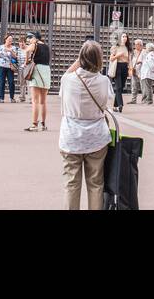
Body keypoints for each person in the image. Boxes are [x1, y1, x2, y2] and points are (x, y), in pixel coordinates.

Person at [58, 40, 114, 210]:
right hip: (96, 138)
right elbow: (107, 103)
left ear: (80, 58)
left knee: (71, 184)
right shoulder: (104, 81)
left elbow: (66, 78)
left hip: (71, 137)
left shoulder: (67, 80)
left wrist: (79, 60)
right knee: (96, 184)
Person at [23, 32, 52, 131]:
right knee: (43, 101)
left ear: (35, 38)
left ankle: (34, 124)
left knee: (35, 100)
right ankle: (43, 124)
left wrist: (27, 60)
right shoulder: (46, 46)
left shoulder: (34, 44)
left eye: (30, 38)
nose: (29, 40)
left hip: (37, 70)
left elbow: (27, 50)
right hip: (46, 71)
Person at [108, 35, 130, 112]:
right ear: (120, 38)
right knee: (118, 87)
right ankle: (120, 104)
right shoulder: (115, 47)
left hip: (125, 67)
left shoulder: (127, 48)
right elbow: (111, 58)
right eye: (123, 36)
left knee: (121, 87)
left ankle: (115, 106)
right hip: (117, 67)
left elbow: (129, 59)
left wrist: (130, 69)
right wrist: (119, 55)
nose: (125, 38)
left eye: (126, 37)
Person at [0, 34, 17, 103]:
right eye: (9, 39)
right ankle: (1, 98)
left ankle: (12, 97)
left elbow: (15, 57)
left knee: (11, 82)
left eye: (11, 40)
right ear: (5, 39)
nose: (10, 41)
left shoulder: (13, 48)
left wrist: (10, 51)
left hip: (10, 67)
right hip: (1, 66)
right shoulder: (0, 47)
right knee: (1, 82)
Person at [138, 40, 154, 104]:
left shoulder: (150, 55)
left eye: (146, 47)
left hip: (147, 73)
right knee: (147, 87)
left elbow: (151, 64)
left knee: (148, 87)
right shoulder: (149, 55)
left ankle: (149, 100)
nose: (145, 48)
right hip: (146, 73)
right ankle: (147, 99)